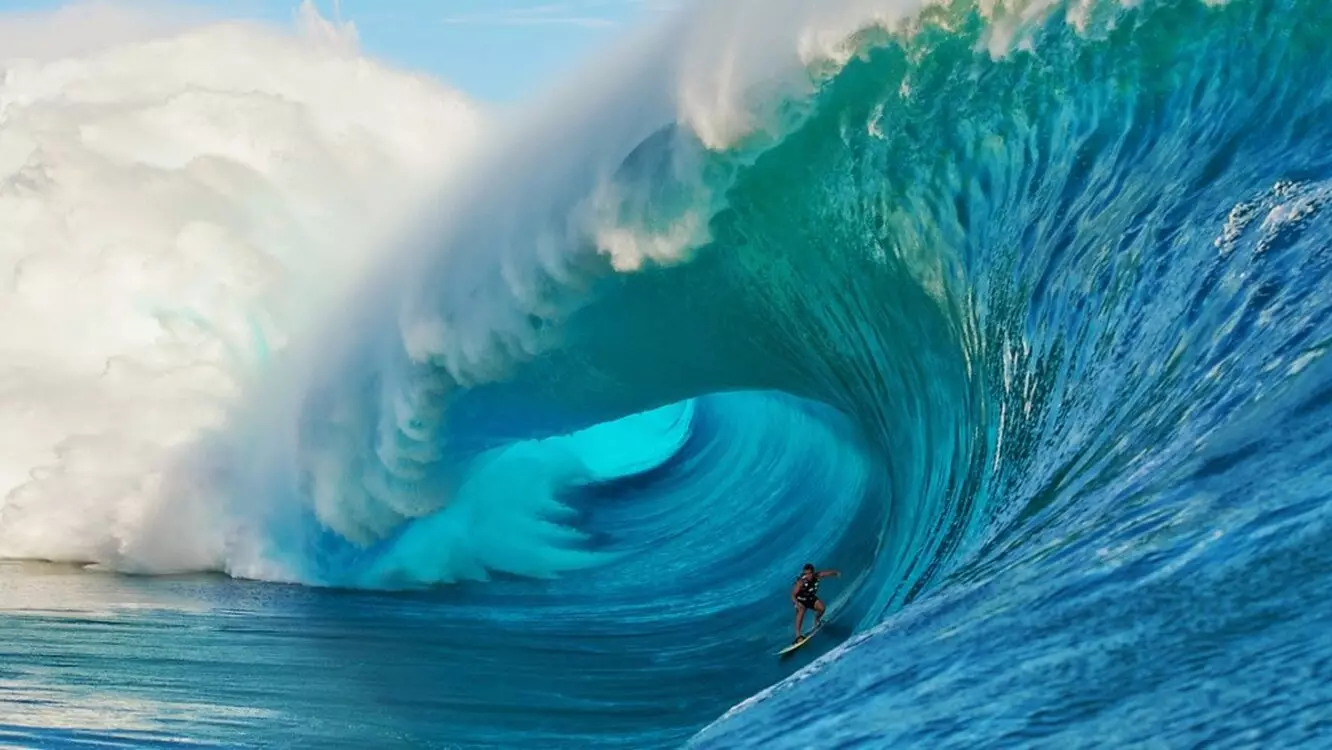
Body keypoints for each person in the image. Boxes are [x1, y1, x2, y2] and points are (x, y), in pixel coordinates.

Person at [791, 563, 839, 643]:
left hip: (810, 598)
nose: (807, 575)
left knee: (822, 608)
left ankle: (816, 620)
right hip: (800, 599)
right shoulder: (801, 582)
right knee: (801, 610)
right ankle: (798, 636)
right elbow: (792, 595)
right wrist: (797, 603)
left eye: (809, 573)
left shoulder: (817, 576)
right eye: (805, 574)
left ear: (813, 573)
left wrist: (836, 573)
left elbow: (826, 573)